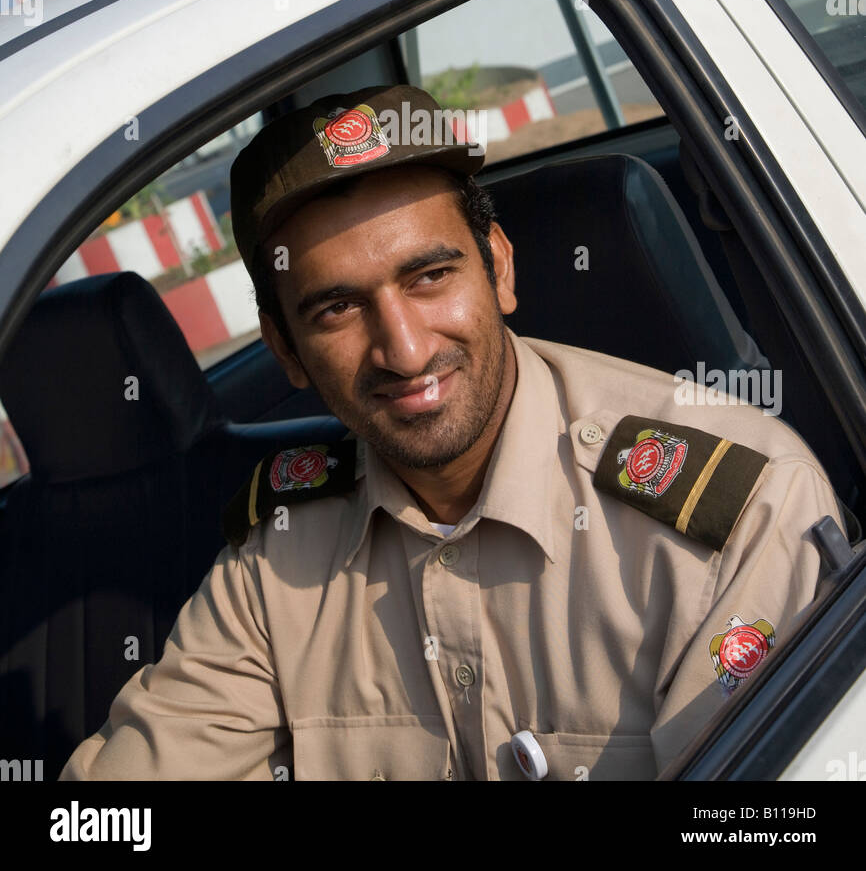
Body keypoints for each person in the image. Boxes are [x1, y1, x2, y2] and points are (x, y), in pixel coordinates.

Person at [59, 84, 848, 781]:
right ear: (284, 352)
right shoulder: (278, 558)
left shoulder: (739, 514)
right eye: (337, 308)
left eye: (429, 276)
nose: (404, 349)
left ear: (499, 269)